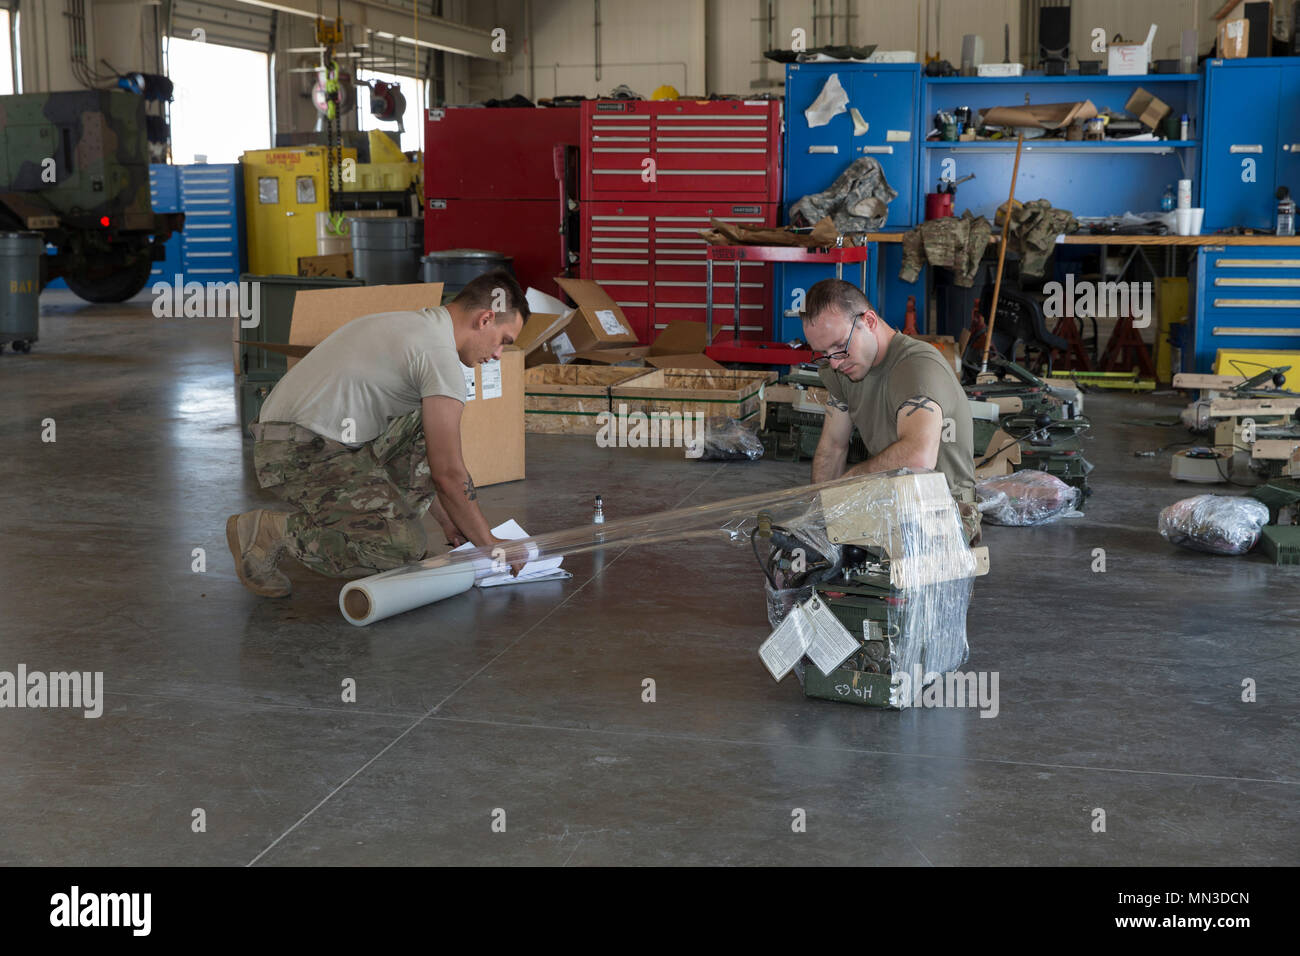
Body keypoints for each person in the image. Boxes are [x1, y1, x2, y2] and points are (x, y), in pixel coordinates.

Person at [226, 270, 530, 597]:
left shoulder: (417, 326)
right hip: (296, 452)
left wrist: (449, 521)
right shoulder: (438, 359)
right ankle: (270, 532)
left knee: (429, 421)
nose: (498, 354)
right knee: (402, 548)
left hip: (314, 439)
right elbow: (448, 474)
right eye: (504, 341)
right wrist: (490, 544)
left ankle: (386, 526)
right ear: (485, 319)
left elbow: (430, 454)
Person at [800, 278, 980, 543]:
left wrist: (850, 483)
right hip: (886, 504)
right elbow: (833, 447)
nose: (835, 363)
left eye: (839, 346)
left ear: (869, 322)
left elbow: (918, 459)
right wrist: (820, 516)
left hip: (944, 514)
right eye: (824, 353)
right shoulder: (842, 370)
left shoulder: (916, 366)